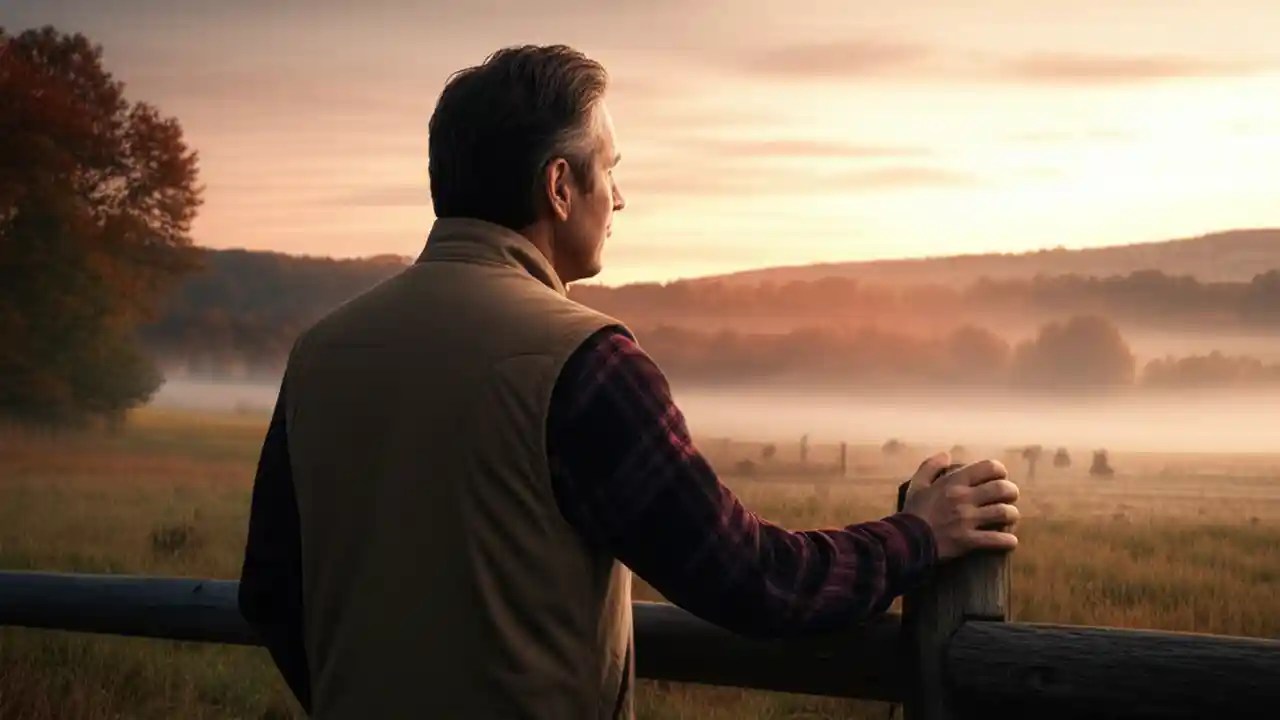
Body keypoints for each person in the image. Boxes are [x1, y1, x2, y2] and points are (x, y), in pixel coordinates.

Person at [237, 44, 1020, 719]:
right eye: (609, 168)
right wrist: (920, 535)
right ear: (558, 186)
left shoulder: (320, 354)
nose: (619, 196)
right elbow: (752, 579)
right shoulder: (584, 361)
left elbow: (272, 595)